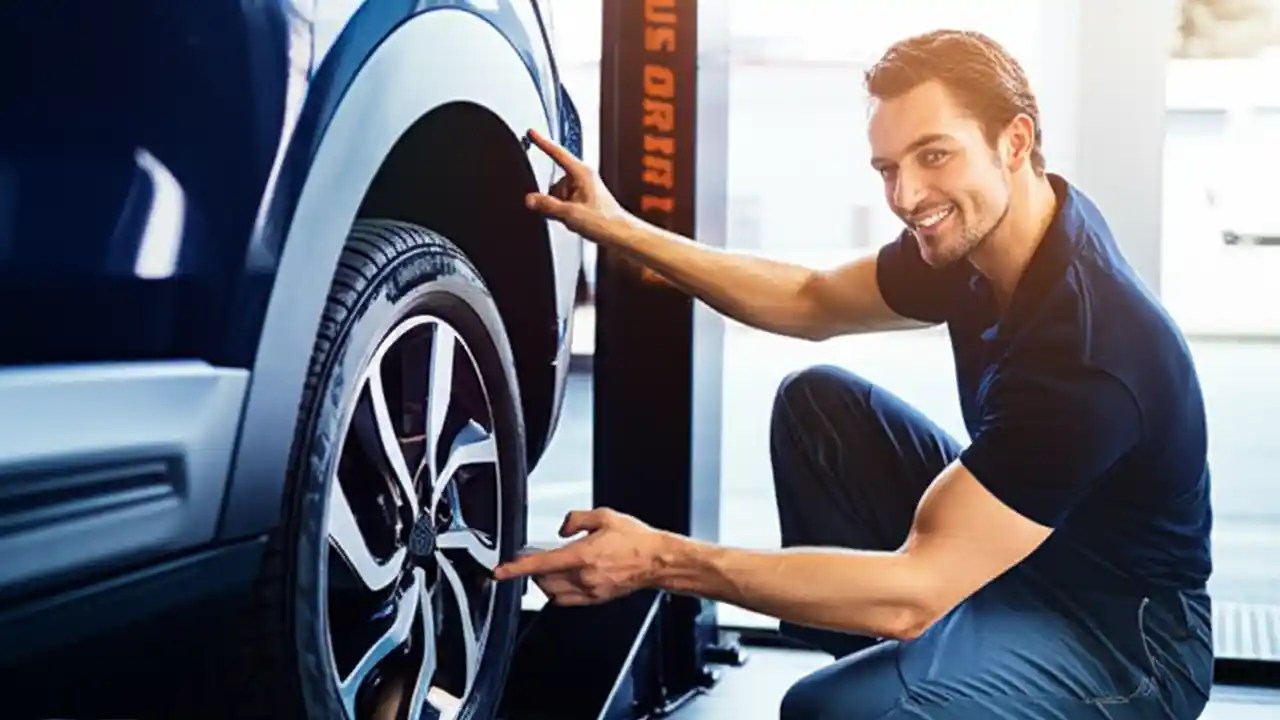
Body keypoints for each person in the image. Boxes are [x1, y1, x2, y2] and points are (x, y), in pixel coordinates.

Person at [495, 29, 1214, 719]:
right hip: (1019, 550)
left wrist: (657, 560)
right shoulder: (989, 236)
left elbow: (916, 589)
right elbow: (811, 298)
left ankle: (941, 687)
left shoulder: (1087, 355)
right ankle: (932, 672)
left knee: (829, 710)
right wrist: (617, 227)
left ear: (1015, 141)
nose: (906, 197)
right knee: (820, 412)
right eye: (889, 169)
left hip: (1126, 643)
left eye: (935, 156)